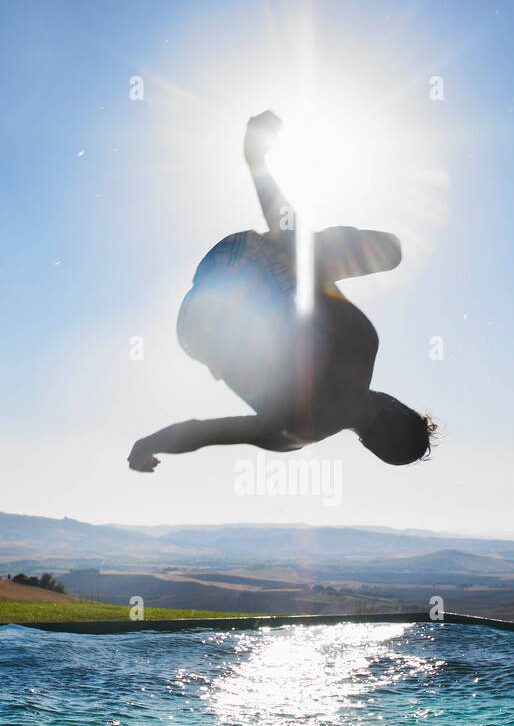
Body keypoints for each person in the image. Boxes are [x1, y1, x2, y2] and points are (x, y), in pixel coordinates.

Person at [128, 111, 435, 473]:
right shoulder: (297, 436)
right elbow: (207, 432)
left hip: (237, 268)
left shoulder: (361, 346)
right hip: (193, 328)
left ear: (395, 406)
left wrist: (257, 160)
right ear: (368, 445)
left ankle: (256, 159)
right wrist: (147, 445)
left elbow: (299, 254)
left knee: (378, 252)